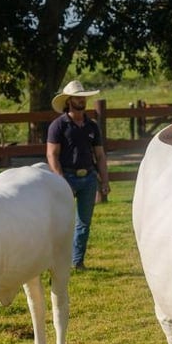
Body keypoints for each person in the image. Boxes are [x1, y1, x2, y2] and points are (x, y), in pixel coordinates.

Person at [46, 79, 110, 270]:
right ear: (68, 101)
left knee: (83, 223)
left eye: (83, 98)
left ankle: (77, 261)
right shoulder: (58, 126)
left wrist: (104, 180)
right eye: (77, 98)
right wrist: (61, 180)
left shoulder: (92, 126)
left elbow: (99, 154)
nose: (81, 101)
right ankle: (55, 261)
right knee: (61, 222)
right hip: (67, 176)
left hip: (89, 178)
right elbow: (52, 154)